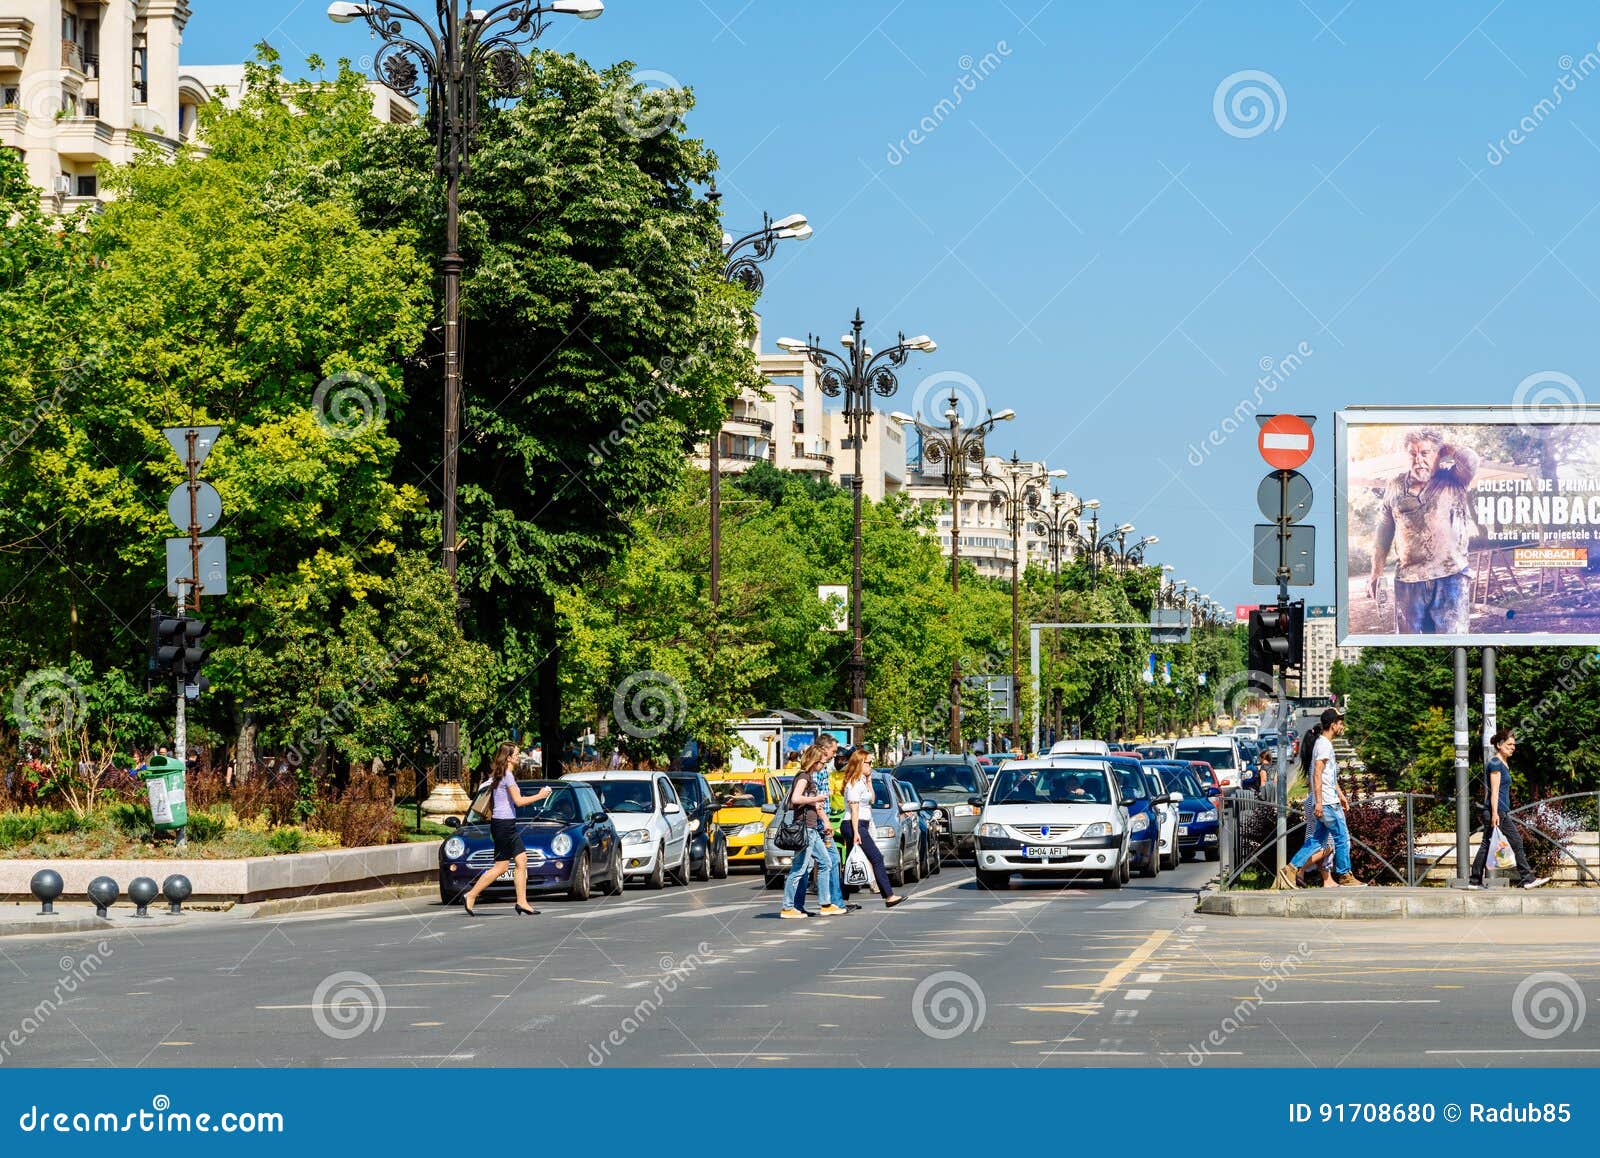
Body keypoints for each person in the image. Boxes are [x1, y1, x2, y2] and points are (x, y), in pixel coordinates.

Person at [1367, 428, 1479, 634]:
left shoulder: (1455, 479)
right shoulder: (1395, 485)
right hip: (1408, 581)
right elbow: (1384, 531)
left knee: (1452, 645)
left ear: (1439, 454)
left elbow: (1472, 460)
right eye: (1413, 453)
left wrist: (1449, 448)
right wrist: (1376, 573)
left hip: (1451, 577)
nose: (1418, 459)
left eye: (1425, 453)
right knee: (1410, 649)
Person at [1275, 709, 1365, 889]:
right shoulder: (1324, 745)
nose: (1342, 727)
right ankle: (1345, 874)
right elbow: (1317, 773)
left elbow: (1327, 777)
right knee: (1342, 837)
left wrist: (1340, 796)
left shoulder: (1321, 744)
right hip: (1327, 802)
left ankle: (1291, 869)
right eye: (1340, 723)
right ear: (1333, 725)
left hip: (1328, 799)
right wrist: (1319, 802)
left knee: (1317, 840)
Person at [460, 742, 552, 917]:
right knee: (501, 867)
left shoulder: (499, 774)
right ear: (509, 757)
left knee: (522, 860)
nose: (518, 756)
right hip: (503, 825)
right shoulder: (507, 776)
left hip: (506, 824)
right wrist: (540, 796)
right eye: (516, 754)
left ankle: (522, 902)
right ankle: (470, 895)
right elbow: (518, 801)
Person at [1469, 729, 1550, 890]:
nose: (1513, 747)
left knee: (1486, 844)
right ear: (1499, 745)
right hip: (1497, 811)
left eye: (1514, 744)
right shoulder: (1495, 763)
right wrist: (1494, 814)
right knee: (1516, 842)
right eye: (1509, 744)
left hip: (1499, 811)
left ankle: (1474, 881)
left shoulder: (1503, 763)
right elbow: (1494, 791)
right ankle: (1528, 879)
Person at [779, 742, 844, 919]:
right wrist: (816, 798)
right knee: (800, 868)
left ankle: (825, 904)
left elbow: (808, 802)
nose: (823, 766)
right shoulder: (803, 777)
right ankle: (788, 907)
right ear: (814, 761)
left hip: (812, 828)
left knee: (826, 863)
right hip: (805, 828)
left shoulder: (810, 778)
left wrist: (823, 816)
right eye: (821, 763)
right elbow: (795, 798)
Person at [840, 750, 905, 908]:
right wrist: (856, 832)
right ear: (860, 764)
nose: (871, 766)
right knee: (876, 858)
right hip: (854, 824)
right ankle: (888, 896)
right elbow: (854, 810)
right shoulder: (853, 784)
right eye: (869, 763)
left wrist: (869, 781)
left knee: (851, 861)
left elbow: (872, 799)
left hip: (860, 824)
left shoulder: (862, 781)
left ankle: (842, 899)